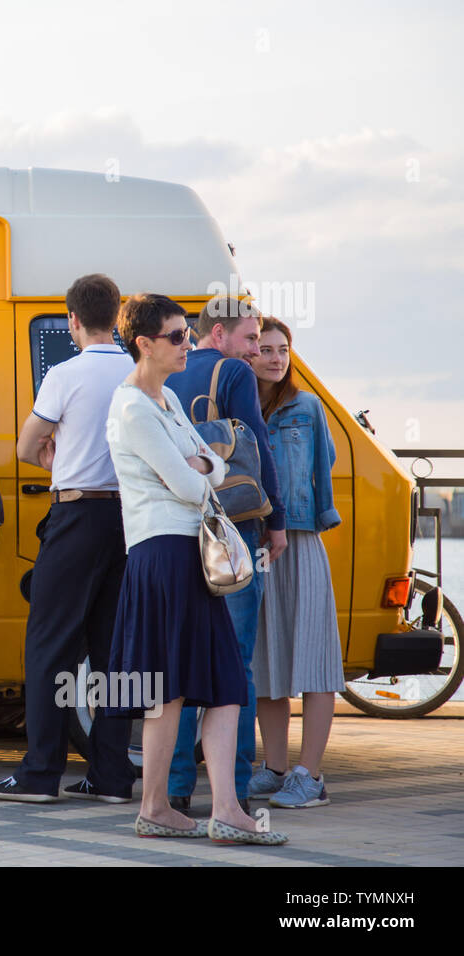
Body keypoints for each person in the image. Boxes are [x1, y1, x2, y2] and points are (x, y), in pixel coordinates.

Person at [105, 293, 287, 844]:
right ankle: (216, 811)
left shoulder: (163, 401)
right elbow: (189, 482)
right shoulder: (135, 406)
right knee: (213, 683)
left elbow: (216, 458)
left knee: (189, 686)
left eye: (188, 333)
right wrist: (203, 467)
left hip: (178, 552)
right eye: (177, 336)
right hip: (168, 554)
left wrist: (203, 465)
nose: (189, 343)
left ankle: (161, 806)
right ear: (145, 344)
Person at [0, 273, 136, 804]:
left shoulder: (64, 373)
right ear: (117, 318)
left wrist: (56, 455)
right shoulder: (139, 373)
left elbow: (27, 445)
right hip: (129, 522)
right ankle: (112, 777)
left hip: (75, 517)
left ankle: (40, 774)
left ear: (73, 319)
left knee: (49, 647)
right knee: (114, 652)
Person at [164, 295, 287, 813]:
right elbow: (257, 445)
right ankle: (232, 790)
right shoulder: (233, 375)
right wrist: (275, 520)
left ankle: (174, 789)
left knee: (179, 663)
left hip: (176, 530)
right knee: (234, 662)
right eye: (251, 338)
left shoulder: (165, 376)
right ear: (220, 336)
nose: (257, 351)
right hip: (231, 531)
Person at [247, 317, 344, 808]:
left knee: (314, 659)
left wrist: (319, 516)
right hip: (257, 544)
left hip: (300, 540)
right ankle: (276, 767)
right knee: (267, 659)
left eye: (283, 349)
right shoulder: (240, 405)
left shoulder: (307, 406)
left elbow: (321, 466)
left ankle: (311, 774)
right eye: (265, 348)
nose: (276, 357)